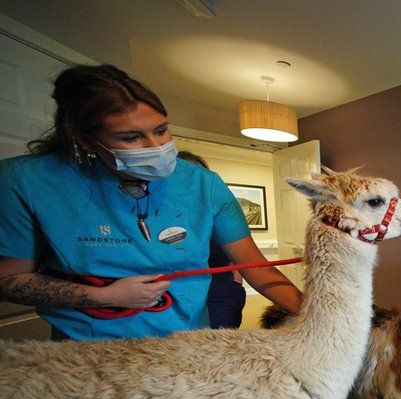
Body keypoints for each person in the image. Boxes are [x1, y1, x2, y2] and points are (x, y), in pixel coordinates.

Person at [0, 64, 301, 341]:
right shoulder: (25, 182)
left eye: (161, 130)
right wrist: (106, 297)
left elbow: (257, 268)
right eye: (131, 138)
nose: (157, 147)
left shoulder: (202, 184)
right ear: (84, 138)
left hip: (188, 344)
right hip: (90, 352)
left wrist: (324, 318)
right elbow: (10, 280)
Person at [177, 151, 247, 329]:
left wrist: (235, 284)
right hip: (180, 297)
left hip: (220, 294)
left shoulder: (219, 212)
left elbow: (245, 257)